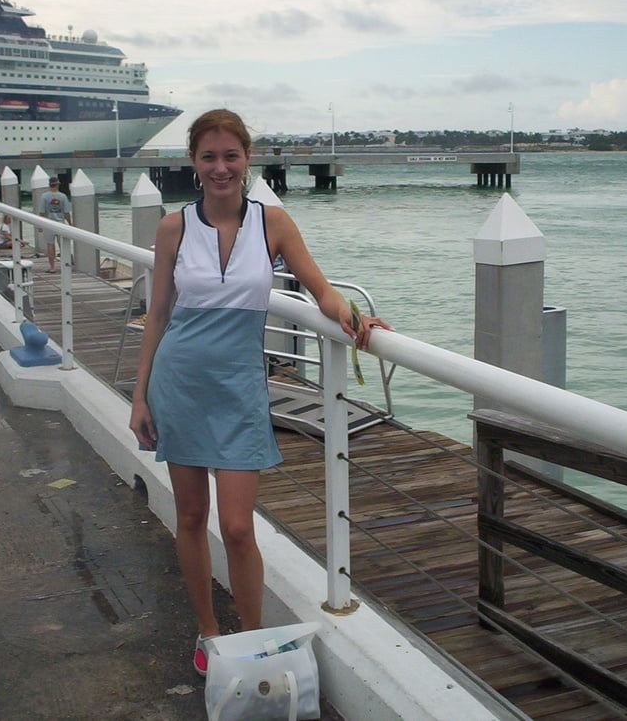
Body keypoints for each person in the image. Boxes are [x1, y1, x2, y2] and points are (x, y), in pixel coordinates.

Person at [128, 109, 390, 677]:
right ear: (193, 163)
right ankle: (209, 634)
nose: (220, 168)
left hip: (240, 388)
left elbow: (320, 290)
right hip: (180, 384)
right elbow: (157, 316)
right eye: (208, 156)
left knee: (239, 526)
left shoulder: (273, 222)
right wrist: (140, 396)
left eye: (231, 155)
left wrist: (356, 319)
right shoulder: (173, 227)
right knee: (192, 516)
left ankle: (252, 642)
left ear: (247, 159)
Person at [36, 175, 71, 271]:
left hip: (48, 224)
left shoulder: (44, 196)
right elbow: (66, 213)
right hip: (60, 224)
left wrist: (39, 225)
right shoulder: (63, 196)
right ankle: (65, 265)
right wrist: (70, 224)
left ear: (49, 185)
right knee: (62, 245)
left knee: (50, 245)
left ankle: (52, 267)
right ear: (57, 185)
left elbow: (42, 212)